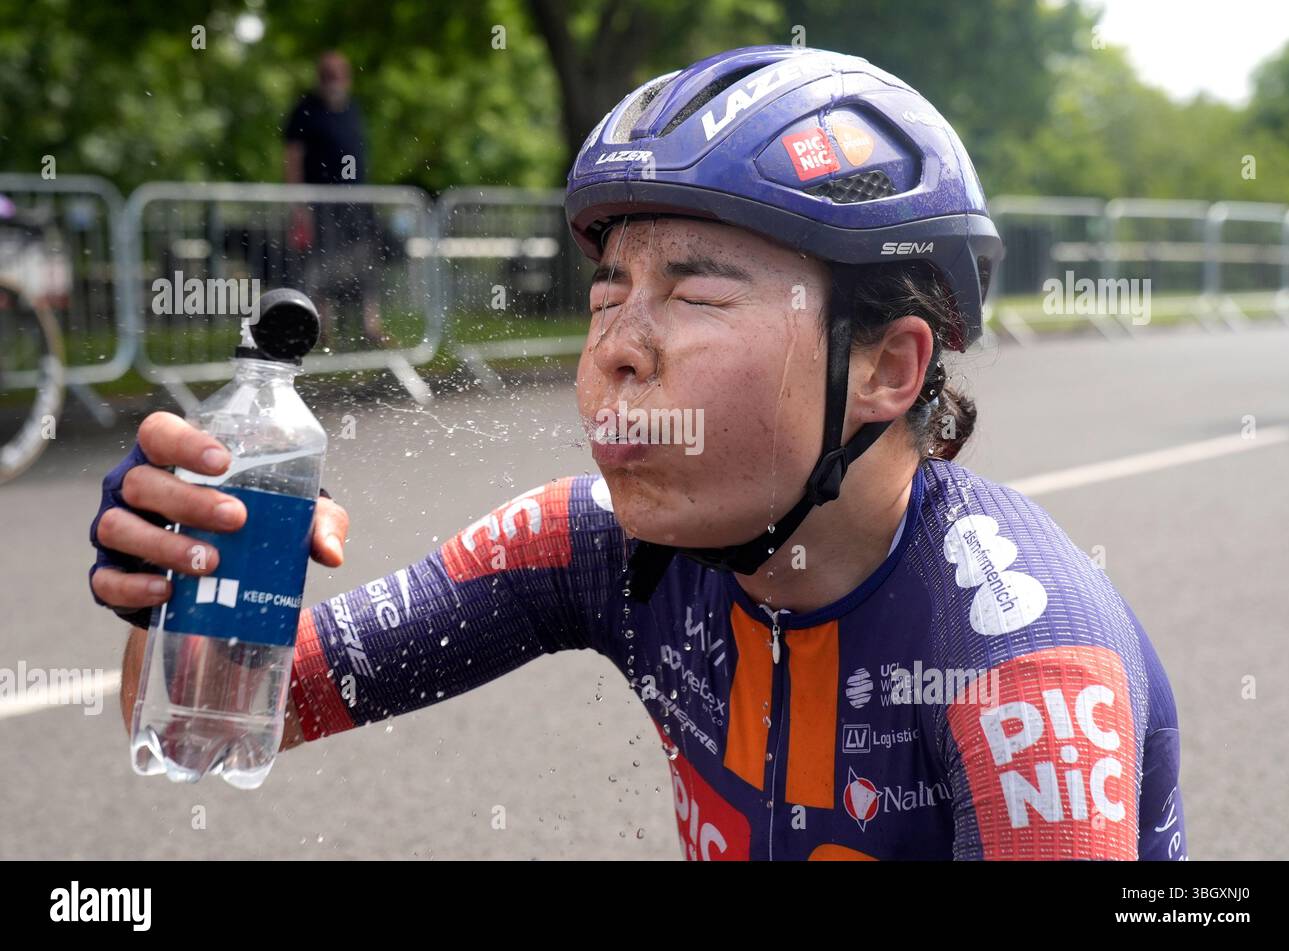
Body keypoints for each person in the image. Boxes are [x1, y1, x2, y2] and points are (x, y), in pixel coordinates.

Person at [90, 46, 1186, 860]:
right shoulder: (596, 546)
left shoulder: (1025, 673)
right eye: (607, 294)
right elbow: (213, 730)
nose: (615, 349)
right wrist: (180, 593)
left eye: (695, 291)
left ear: (889, 368)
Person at [284, 50, 389, 348]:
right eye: (328, 74)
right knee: (319, 265)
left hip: (356, 203)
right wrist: (298, 205)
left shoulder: (352, 108)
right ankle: (321, 328)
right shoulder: (305, 110)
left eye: (338, 73)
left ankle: (370, 326)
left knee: (367, 262)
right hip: (319, 203)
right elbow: (291, 158)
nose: (333, 80)